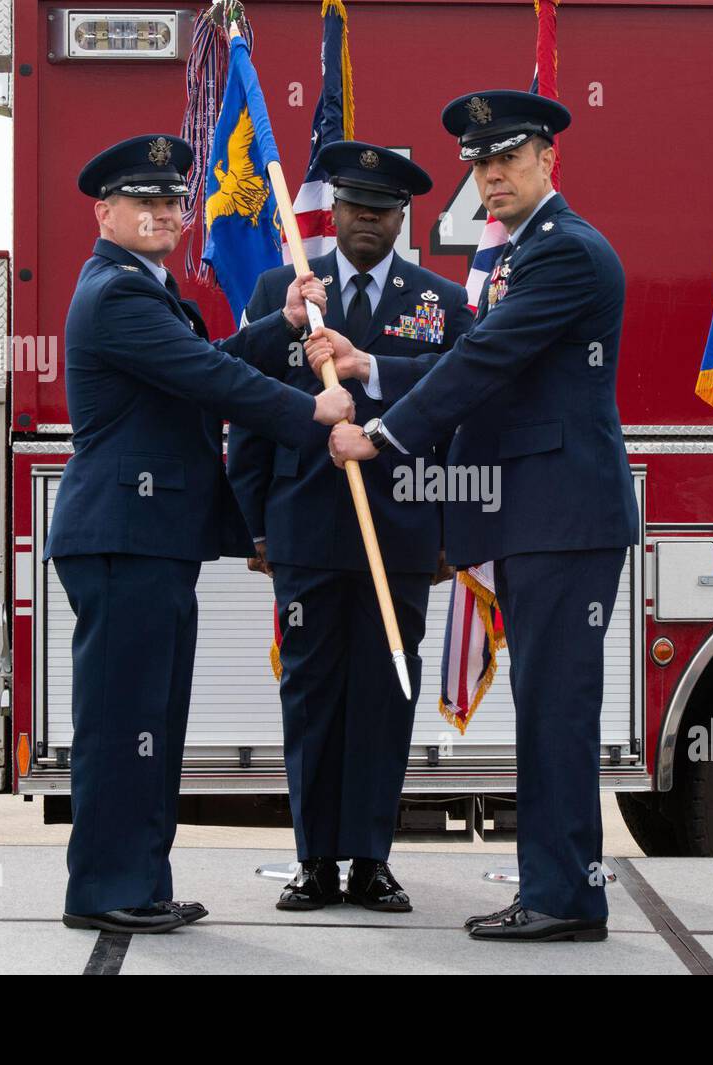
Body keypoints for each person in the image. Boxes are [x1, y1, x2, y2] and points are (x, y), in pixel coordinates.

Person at [310, 92, 639, 942]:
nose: (491, 176)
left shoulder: (564, 254)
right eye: (479, 163)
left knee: (557, 708)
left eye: (508, 158)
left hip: (561, 516)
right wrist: (369, 362)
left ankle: (565, 896)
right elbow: (467, 359)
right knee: (545, 705)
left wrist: (379, 433)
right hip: (537, 517)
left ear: (547, 160)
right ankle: (556, 886)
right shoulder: (525, 253)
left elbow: (485, 360)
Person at [45, 133, 353, 935]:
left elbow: (200, 356)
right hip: (125, 532)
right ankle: (106, 885)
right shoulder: (117, 293)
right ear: (102, 211)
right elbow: (206, 377)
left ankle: (139, 879)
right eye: (140, 201)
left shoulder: (140, 287)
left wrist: (280, 324)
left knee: (150, 718)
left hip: (148, 533)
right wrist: (306, 410)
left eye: (170, 201)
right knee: (125, 721)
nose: (159, 213)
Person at [227, 141, 471, 912]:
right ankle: (313, 860)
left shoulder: (442, 301)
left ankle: (370, 858)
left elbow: (460, 409)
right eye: (355, 207)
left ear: (405, 217)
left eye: (384, 209)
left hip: (401, 532)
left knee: (383, 695)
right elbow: (249, 410)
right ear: (332, 213)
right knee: (310, 694)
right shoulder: (284, 288)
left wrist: (449, 532)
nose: (368, 220)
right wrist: (253, 524)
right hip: (303, 526)